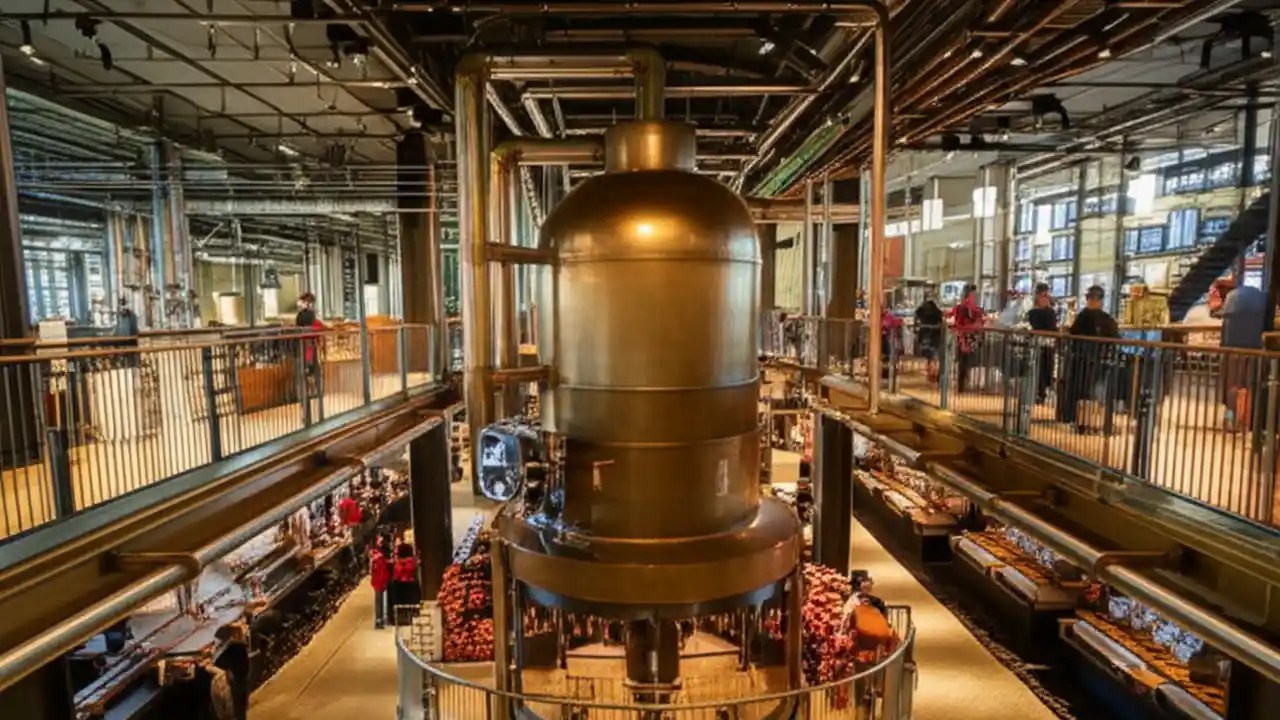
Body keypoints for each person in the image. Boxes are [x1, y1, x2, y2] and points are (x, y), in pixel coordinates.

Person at [1063, 285, 1120, 433]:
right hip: (1089, 361)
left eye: (1094, 298)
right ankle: (1086, 424)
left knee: (1091, 393)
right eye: (1090, 298)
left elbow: (1073, 334)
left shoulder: (1097, 318)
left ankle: (1089, 424)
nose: (1092, 301)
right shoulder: (1091, 318)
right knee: (1088, 393)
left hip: (1091, 361)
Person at [1218, 277, 1266, 431]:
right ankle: (1247, 422)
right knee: (1250, 386)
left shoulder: (1232, 299)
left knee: (1232, 386)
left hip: (1231, 351)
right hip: (1254, 350)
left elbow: (1225, 331)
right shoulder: (1261, 298)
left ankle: (1230, 419)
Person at [946, 284, 984, 393]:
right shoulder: (967, 308)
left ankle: (962, 384)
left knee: (964, 362)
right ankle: (962, 384)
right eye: (973, 294)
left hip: (966, 337)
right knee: (964, 362)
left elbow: (955, 319)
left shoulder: (964, 308)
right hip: (967, 337)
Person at [1025, 284, 1059, 404]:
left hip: (1046, 343)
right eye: (1043, 295)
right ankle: (1039, 393)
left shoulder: (1047, 312)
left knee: (1046, 368)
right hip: (1041, 343)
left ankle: (1042, 392)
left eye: (1046, 295)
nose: (1045, 298)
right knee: (1040, 368)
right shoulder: (1035, 312)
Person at [914, 295, 944, 383]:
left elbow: (917, 316)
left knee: (929, 357)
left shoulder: (922, 313)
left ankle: (931, 374)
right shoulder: (937, 313)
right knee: (935, 357)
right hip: (935, 337)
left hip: (925, 337)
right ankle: (934, 374)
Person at [369, 535, 392, 629]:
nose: (381, 543)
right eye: (380, 541)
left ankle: (380, 619)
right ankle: (379, 620)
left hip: (378, 581)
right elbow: (380, 570)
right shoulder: (377, 556)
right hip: (379, 581)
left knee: (379, 601)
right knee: (379, 601)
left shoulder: (376, 555)